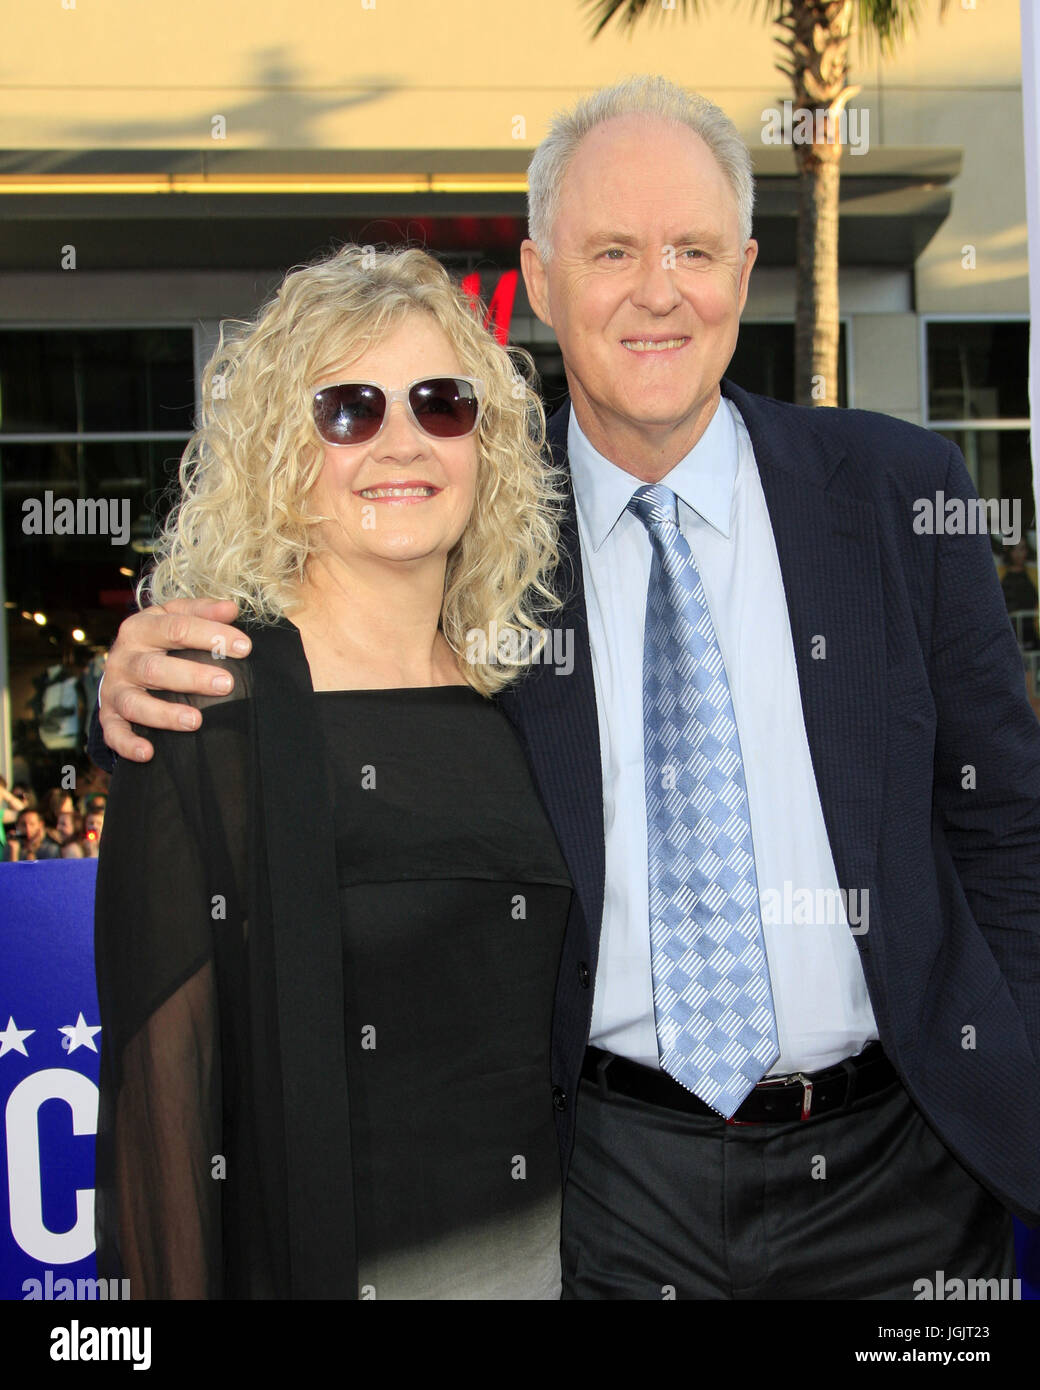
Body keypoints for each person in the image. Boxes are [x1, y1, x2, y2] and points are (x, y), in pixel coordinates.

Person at [90, 76, 1040, 1300]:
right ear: (539, 280)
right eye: (612, 251)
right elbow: (328, 635)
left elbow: (1004, 830)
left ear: (744, 271)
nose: (657, 290)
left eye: (692, 249)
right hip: (599, 1192)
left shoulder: (898, 492)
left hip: (899, 1182)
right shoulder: (476, 517)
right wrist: (150, 661)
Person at [92, 243, 573, 1299]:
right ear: (280, 453)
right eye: (347, 408)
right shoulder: (204, 716)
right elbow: (162, 1120)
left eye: (439, 403)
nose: (401, 442)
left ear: (483, 442)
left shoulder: (531, 706)